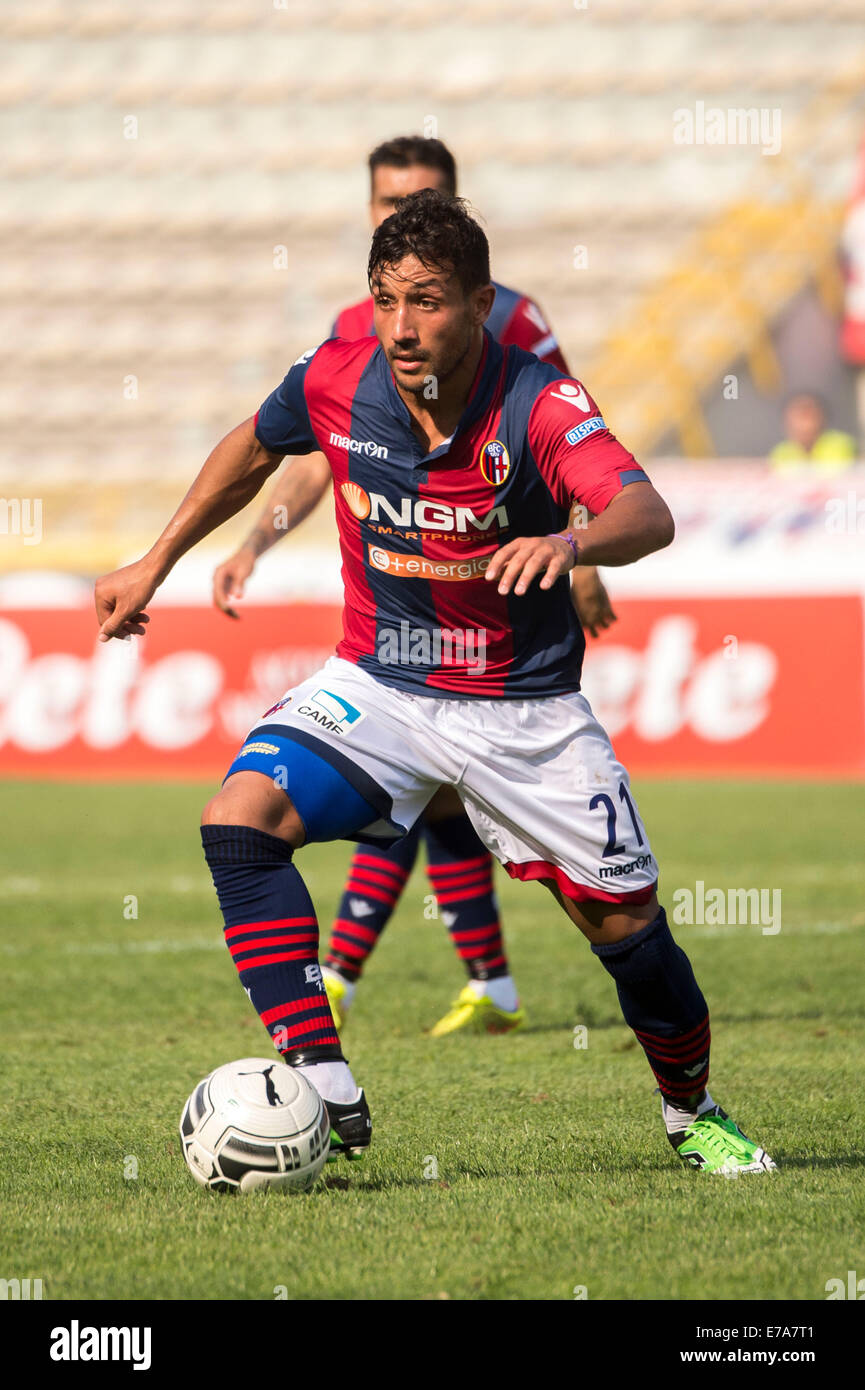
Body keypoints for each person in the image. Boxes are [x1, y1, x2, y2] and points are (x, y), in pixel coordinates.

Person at [95, 189, 775, 1174]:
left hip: (523, 710)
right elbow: (252, 445)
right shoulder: (337, 379)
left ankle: (691, 1110)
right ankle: (323, 1076)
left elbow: (646, 510)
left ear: (479, 303)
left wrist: (569, 541)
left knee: (625, 928)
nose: (401, 327)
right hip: (381, 685)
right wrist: (153, 561)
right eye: (384, 301)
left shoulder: (539, 401)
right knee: (238, 822)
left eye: (426, 301)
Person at [212, 135, 617, 1038]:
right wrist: (256, 543)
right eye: (386, 200)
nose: (400, 211)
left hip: (509, 608)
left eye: (422, 195)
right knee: (410, 792)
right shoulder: (355, 334)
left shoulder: (510, 318)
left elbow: (567, 431)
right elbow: (316, 455)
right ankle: (454, 982)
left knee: (435, 800)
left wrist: (578, 553)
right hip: (398, 601)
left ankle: (391, 975)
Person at [769, 391, 857, 470]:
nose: (802, 424)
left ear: (822, 419)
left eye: (806, 416)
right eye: (796, 417)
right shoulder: (782, 452)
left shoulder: (840, 445)